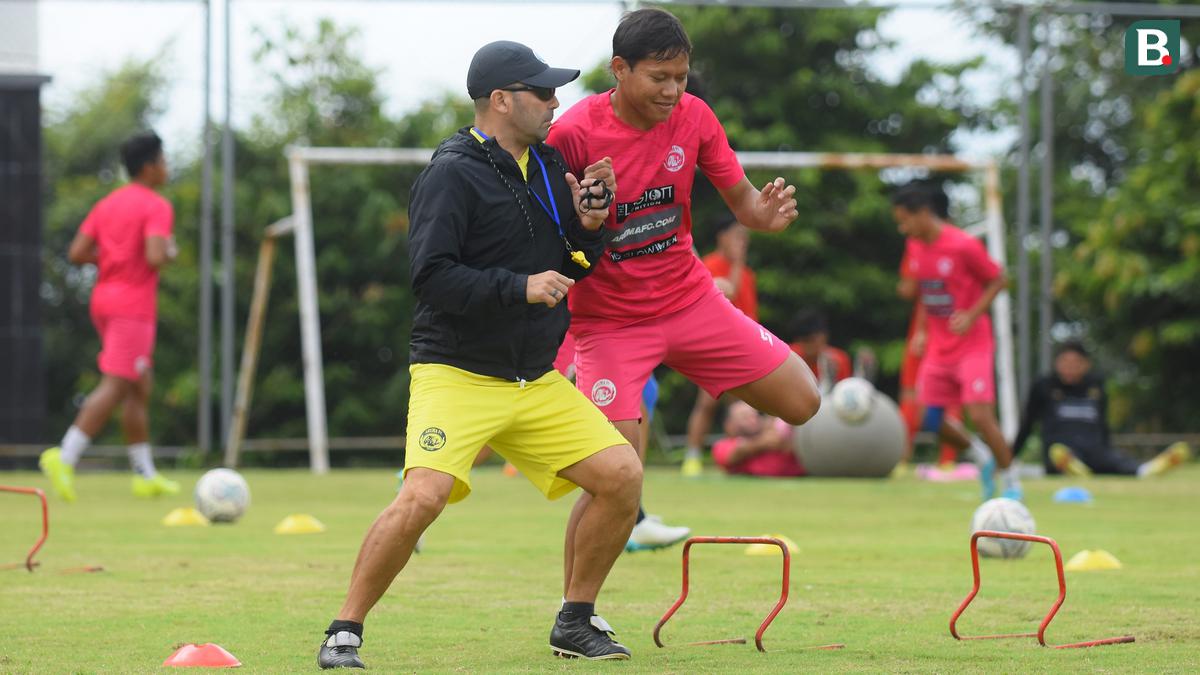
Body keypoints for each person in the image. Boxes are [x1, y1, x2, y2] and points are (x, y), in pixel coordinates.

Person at [315, 41, 641, 668]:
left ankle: (575, 620)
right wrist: (518, 287)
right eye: (542, 93)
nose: (555, 102)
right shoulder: (450, 173)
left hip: (534, 380)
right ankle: (343, 631)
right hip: (456, 374)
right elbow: (431, 277)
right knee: (423, 498)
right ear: (501, 100)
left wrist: (593, 227)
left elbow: (574, 264)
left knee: (622, 477)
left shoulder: (546, 165)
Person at [546, 8, 821, 573]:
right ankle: (576, 614)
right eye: (659, 78)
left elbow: (743, 200)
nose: (673, 91)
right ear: (619, 69)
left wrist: (762, 217)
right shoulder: (573, 133)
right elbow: (548, 234)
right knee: (615, 476)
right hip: (610, 325)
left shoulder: (695, 117)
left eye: (681, 77)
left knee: (804, 400)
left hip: (692, 302)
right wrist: (586, 217)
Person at [39, 131, 180, 502]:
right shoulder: (156, 206)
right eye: (163, 161)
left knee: (138, 384)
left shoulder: (108, 203)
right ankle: (64, 456)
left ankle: (144, 474)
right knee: (118, 383)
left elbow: (77, 252)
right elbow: (153, 256)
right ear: (149, 167)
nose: (166, 168)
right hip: (133, 306)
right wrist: (170, 252)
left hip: (103, 299)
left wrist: (112, 260)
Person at [892, 181, 1021, 501]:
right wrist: (921, 331)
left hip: (972, 344)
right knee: (929, 419)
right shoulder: (915, 247)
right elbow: (924, 291)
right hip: (938, 346)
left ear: (924, 213)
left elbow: (998, 279)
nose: (902, 227)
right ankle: (981, 456)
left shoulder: (963, 245)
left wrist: (972, 314)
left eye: (904, 219)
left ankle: (1012, 481)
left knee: (979, 415)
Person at [1014, 341, 1192, 477]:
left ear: (1086, 364)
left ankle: (1146, 470)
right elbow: (1027, 423)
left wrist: (1108, 451)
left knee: (1112, 460)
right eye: (1065, 362)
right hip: (1061, 450)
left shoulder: (1096, 385)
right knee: (1062, 455)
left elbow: (1102, 424)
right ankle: (1074, 468)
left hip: (1093, 448)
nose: (1070, 367)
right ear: (1057, 363)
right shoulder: (1043, 385)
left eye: (1076, 362)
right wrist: (1009, 457)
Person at [682, 216, 758, 477]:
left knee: (743, 408)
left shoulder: (747, 273)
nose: (743, 243)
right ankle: (692, 457)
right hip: (715, 345)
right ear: (722, 237)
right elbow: (730, 292)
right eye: (737, 236)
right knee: (707, 403)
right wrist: (736, 262)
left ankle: (738, 459)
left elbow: (750, 314)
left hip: (744, 347)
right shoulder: (710, 265)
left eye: (745, 238)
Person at [711, 401, 805, 478]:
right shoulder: (722, 445)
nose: (753, 420)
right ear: (729, 425)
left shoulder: (775, 431)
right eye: (745, 417)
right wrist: (764, 442)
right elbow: (734, 454)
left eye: (754, 415)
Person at [787, 310, 852, 392]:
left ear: (824, 337)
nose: (808, 346)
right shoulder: (789, 356)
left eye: (811, 340)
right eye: (804, 340)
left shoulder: (839, 360)